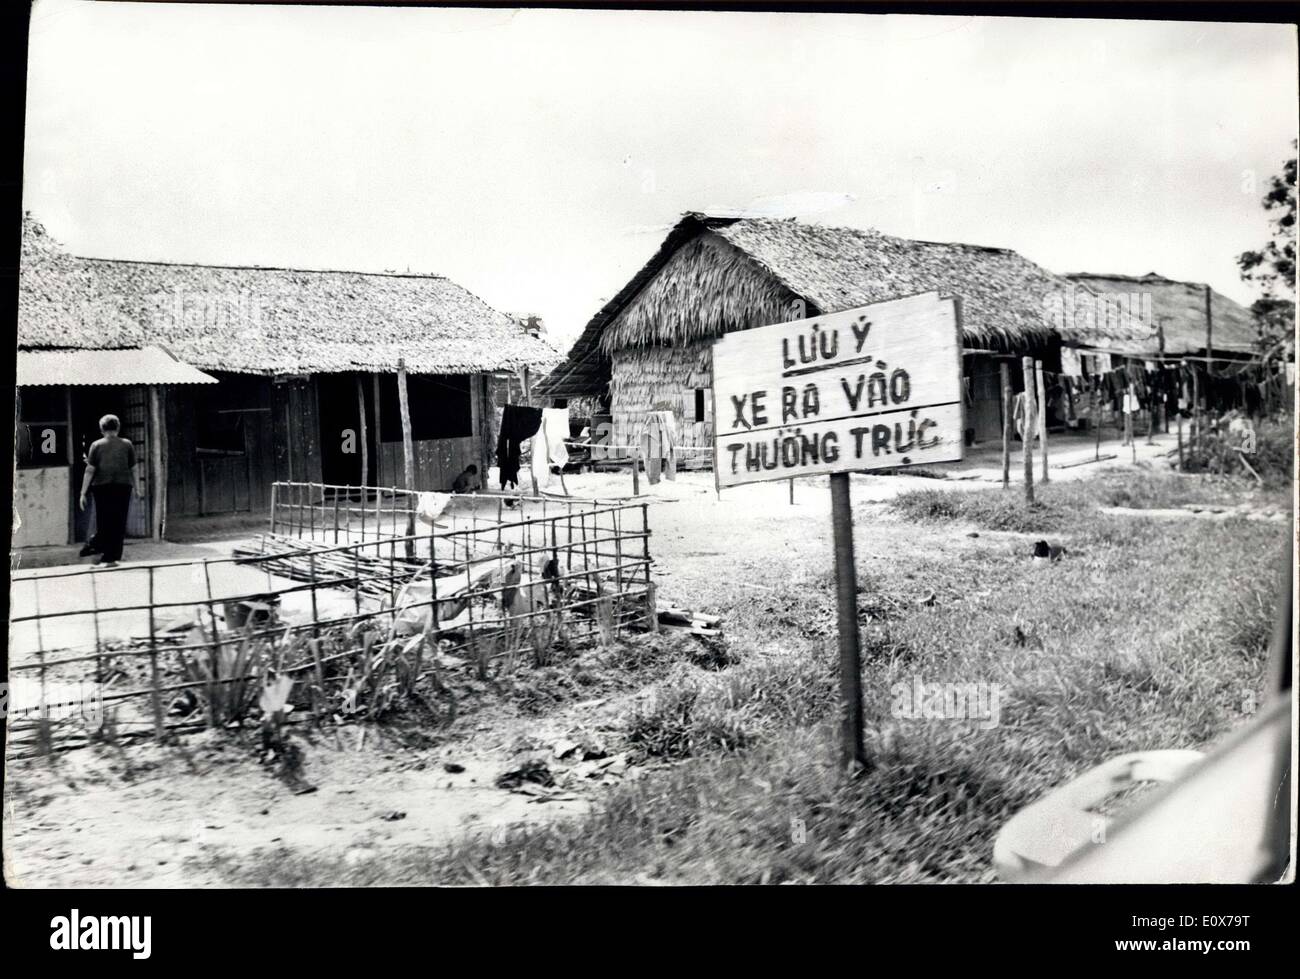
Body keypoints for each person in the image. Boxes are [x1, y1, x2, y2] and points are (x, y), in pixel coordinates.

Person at [78, 414, 141, 567]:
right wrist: (138, 488)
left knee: (104, 520)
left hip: (102, 488)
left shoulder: (96, 445)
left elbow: (90, 470)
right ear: (118, 427)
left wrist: (82, 492)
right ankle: (110, 558)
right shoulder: (127, 444)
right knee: (118, 522)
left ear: (102, 429)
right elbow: (134, 468)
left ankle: (95, 545)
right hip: (123, 487)